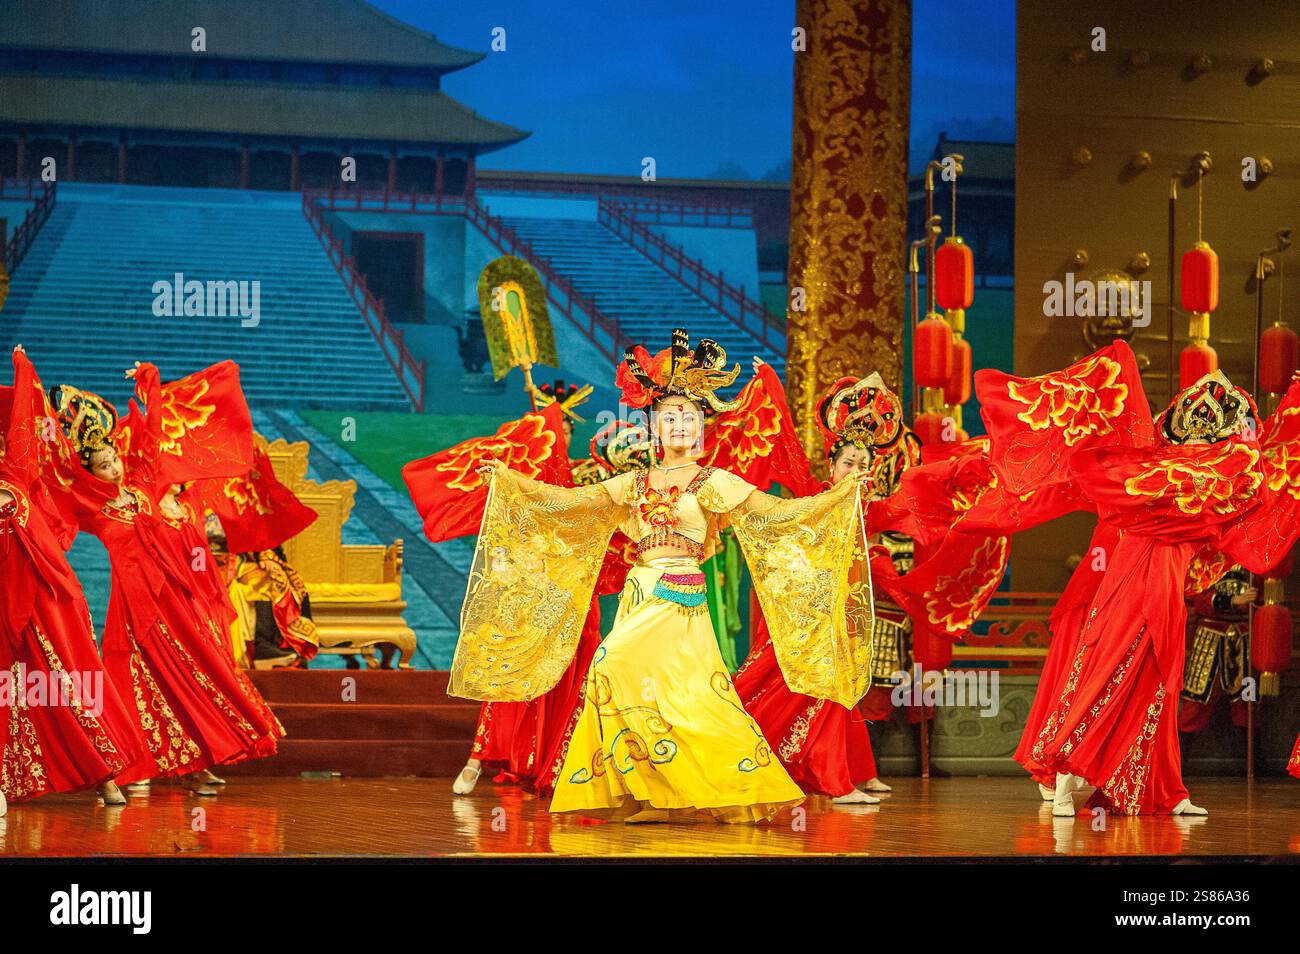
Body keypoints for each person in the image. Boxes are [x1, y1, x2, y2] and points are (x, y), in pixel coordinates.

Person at [457, 329, 876, 823]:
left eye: (689, 416)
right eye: (670, 415)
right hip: (640, 595)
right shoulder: (634, 482)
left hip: (678, 600)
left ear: (701, 427)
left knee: (610, 666)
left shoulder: (713, 481)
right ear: (654, 425)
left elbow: (780, 514)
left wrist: (840, 496)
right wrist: (510, 481)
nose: (679, 423)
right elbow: (568, 504)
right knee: (676, 696)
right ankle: (659, 796)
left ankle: (700, 786)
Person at [978, 344, 1300, 816]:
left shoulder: (1221, 475)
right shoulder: (1146, 468)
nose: (1196, 445)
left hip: (1166, 584)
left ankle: (1166, 790)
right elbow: (1100, 478)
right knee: (1109, 667)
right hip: (1129, 578)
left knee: (1157, 684)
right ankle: (1065, 774)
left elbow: (1258, 479)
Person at [51, 362, 279, 796]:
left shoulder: (141, 489)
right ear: (89, 472)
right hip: (135, 609)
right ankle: (124, 766)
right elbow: (56, 484)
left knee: (198, 677)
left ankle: (204, 761)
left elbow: (152, 443)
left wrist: (150, 386)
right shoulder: (94, 509)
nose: (114, 468)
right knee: (134, 686)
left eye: (114, 458)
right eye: (102, 465)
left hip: (175, 599)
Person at [733, 371, 900, 803]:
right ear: (831, 465)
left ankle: (850, 772)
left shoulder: (865, 511)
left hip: (841, 613)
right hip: (804, 616)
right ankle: (831, 780)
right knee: (790, 687)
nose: (857, 472)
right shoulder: (812, 495)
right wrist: (768, 383)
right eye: (849, 463)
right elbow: (784, 443)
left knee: (839, 688)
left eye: (864, 466)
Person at [0, 345, 150, 808]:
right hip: (5, 606)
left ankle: (105, 774)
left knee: (67, 683)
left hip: (46, 601)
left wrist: (24, 369)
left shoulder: (18, 477)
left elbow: (27, 425)